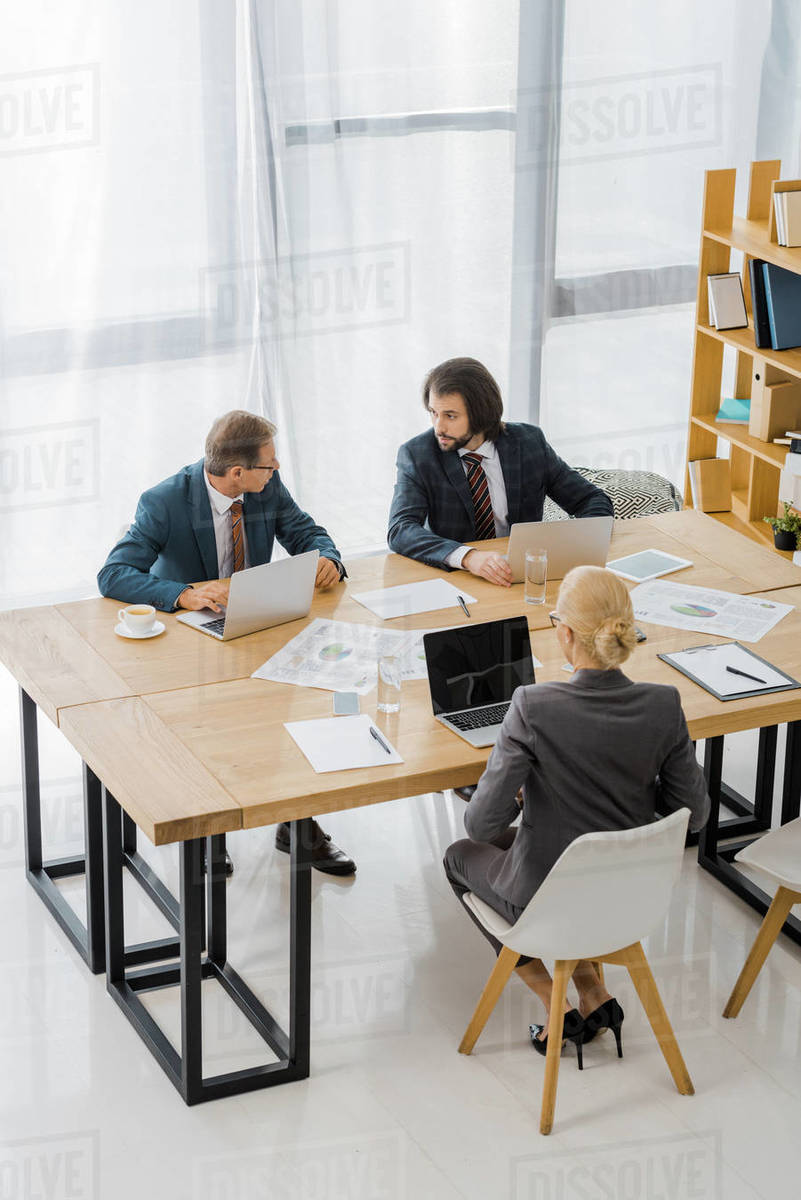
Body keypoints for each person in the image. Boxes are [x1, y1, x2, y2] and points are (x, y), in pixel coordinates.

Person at [443, 565, 709, 1061]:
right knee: (558, 851)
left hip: (548, 904)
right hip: (629, 900)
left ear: (563, 632)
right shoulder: (665, 704)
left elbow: (481, 825)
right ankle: (594, 992)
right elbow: (693, 815)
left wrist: (527, 785)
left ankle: (555, 1005)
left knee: (460, 856)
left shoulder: (532, 705)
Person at [98, 409, 356, 877]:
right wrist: (184, 594)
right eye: (270, 464)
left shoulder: (265, 488)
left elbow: (306, 532)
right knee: (207, 735)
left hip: (255, 623)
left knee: (287, 714)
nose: (276, 471)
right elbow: (113, 574)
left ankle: (296, 825)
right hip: (190, 640)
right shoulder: (164, 501)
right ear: (238, 472)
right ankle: (207, 835)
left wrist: (328, 559)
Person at [387, 357, 613, 587]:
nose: (439, 427)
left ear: (481, 414)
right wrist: (468, 557)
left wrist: (575, 547)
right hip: (456, 580)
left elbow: (591, 499)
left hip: (521, 579)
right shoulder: (418, 454)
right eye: (434, 412)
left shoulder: (528, 443)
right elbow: (400, 529)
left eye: (450, 416)